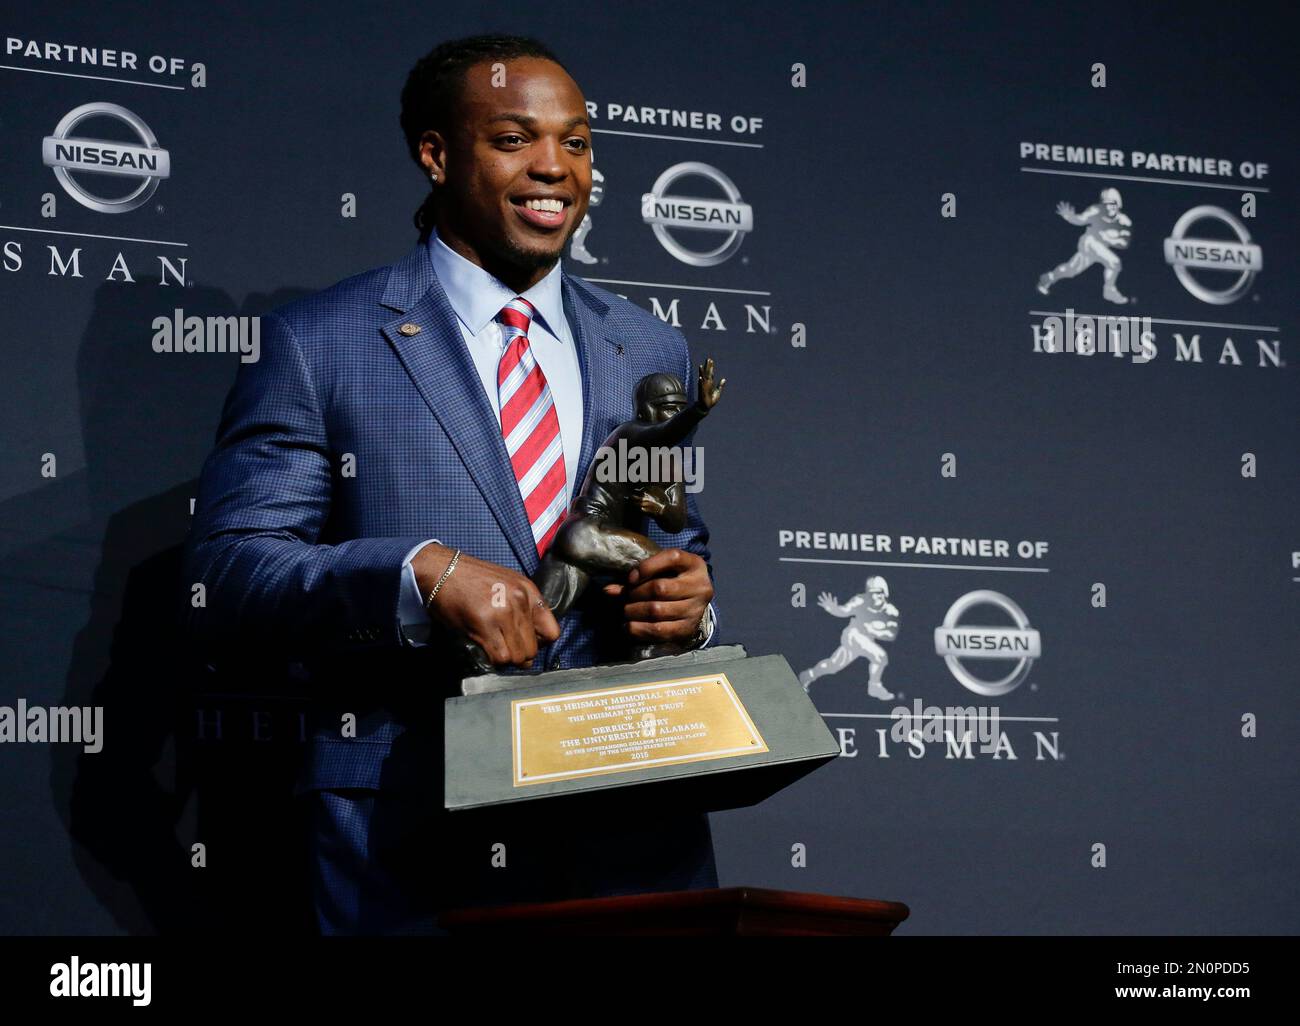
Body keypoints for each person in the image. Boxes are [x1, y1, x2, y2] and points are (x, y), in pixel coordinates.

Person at [182, 34, 720, 935]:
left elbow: (672, 545)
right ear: (436, 156)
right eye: (514, 139)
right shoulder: (321, 343)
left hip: (633, 822)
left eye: (578, 142)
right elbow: (230, 572)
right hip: (411, 827)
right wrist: (418, 573)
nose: (555, 168)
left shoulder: (648, 346)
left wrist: (687, 609)